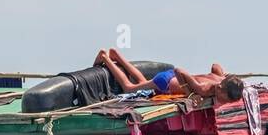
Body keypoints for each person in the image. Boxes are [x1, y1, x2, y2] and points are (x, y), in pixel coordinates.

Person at [94, 49, 244, 105]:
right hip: (166, 82)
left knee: (142, 82)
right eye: (226, 99)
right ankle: (106, 58)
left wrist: (224, 75)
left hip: (168, 77)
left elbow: (215, 65)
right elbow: (180, 71)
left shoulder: (219, 78)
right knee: (129, 87)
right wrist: (189, 94)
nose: (226, 102)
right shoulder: (204, 89)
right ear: (220, 88)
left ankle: (117, 56)